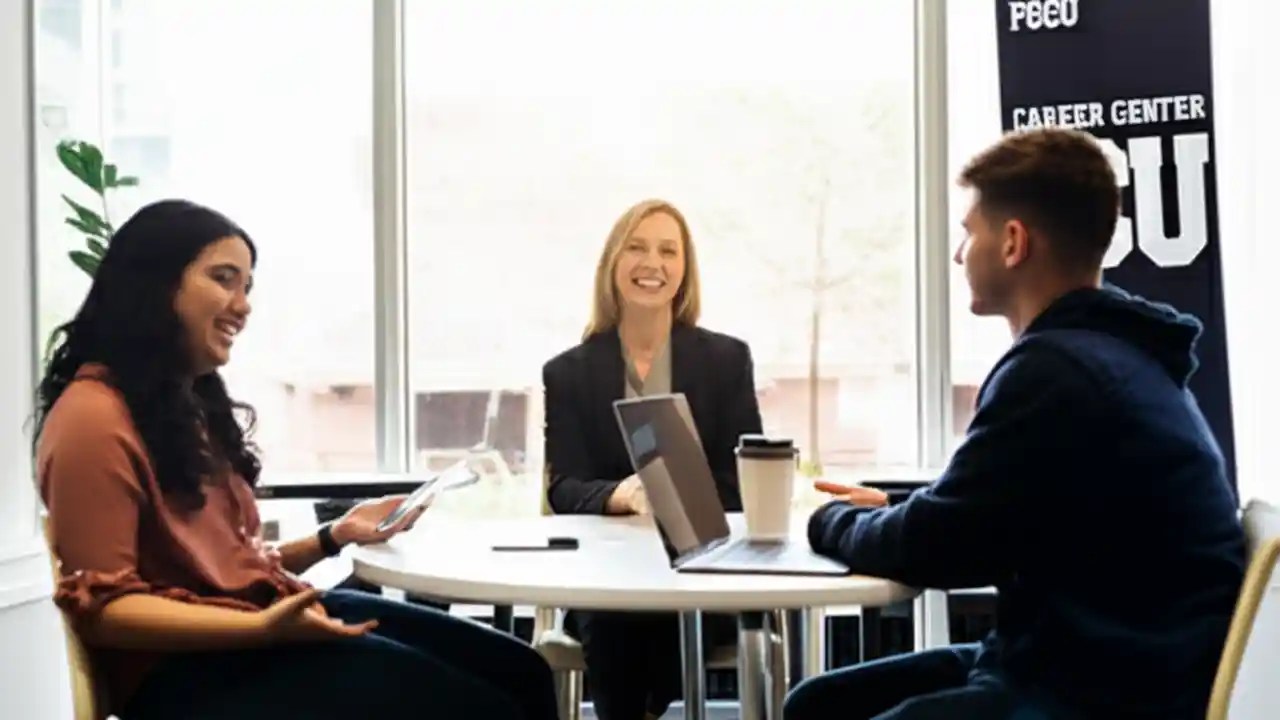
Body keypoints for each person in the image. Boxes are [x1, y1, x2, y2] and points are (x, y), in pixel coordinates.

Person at [36, 199, 558, 720]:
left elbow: (222, 573)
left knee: (521, 671)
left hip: (252, 631)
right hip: (186, 676)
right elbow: (105, 611)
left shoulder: (177, 406)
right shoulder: (92, 419)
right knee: (483, 708)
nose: (242, 305)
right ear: (153, 284)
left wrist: (334, 536)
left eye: (246, 287)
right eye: (224, 279)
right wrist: (262, 630)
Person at [786, 128, 1246, 720]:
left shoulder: (1056, 371)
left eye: (968, 232)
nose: (958, 254)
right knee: (816, 703)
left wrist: (829, 520)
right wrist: (893, 503)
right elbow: (997, 510)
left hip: (1098, 693)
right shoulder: (1112, 357)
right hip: (1092, 659)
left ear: (1012, 242)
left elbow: (935, 550)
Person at [542, 198, 763, 720]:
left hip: (699, 573)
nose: (653, 264)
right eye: (637, 248)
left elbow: (742, 478)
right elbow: (565, 486)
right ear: (613, 264)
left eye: (669, 251)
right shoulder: (568, 372)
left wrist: (675, 492)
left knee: (655, 616)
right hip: (607, 576)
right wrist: (620, 495)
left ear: (685, 270)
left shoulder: (727, 360)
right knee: (620, 615)